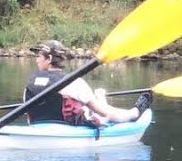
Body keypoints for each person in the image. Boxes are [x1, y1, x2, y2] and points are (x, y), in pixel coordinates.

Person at [24, 46, 152, 126]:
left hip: (38, 127)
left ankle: (103, 98)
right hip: (68, 128)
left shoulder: (30, 83)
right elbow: (103, 113)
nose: (36, 59)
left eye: (38, 56)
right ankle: (134, 113)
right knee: (104, 110)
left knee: (90, 108)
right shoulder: (73, 82)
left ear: (49, 59)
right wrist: (100, 99)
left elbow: (30, 117)